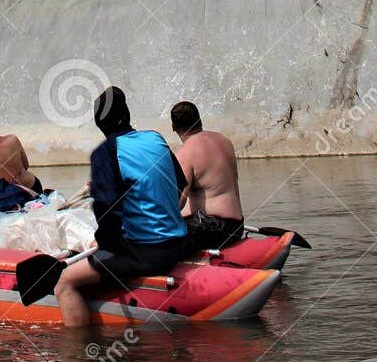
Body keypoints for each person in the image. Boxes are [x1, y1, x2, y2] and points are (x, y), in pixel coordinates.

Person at [55, 88, 189, 328]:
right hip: (178, 243)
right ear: (127, 113)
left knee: (65, 283)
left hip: (146, 253)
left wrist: (104, 247)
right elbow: (180, 187)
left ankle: (76, 357)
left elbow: (107, 211)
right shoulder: (155, 137)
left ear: (100, 125)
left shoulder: (106, 152)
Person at [170, 100, 245, 250]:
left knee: (160, 239)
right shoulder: (224, 141)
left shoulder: (186, 153)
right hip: (237, 226)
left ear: (173, 127)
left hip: (212, 229)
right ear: (199, 120)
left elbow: (177, 204)